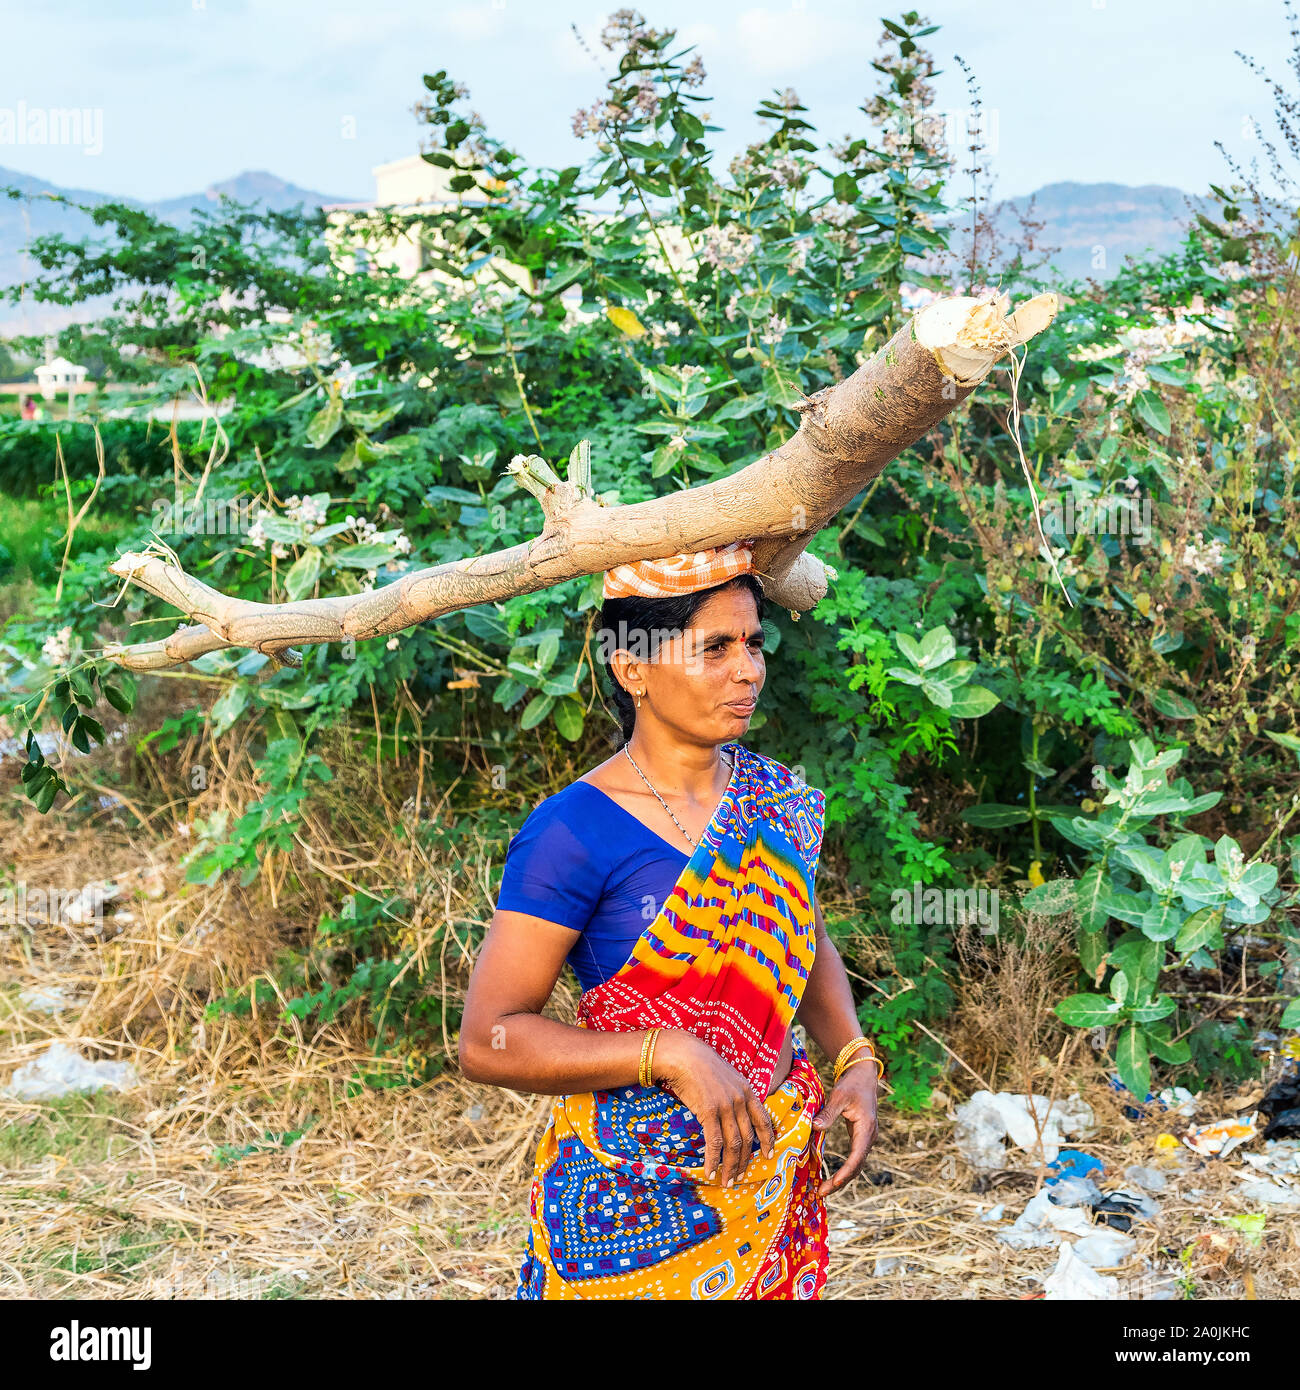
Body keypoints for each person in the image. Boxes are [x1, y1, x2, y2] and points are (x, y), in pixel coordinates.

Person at [459, 539, 882, 1301]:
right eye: (714, 647)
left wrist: (852, 1055)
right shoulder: (573, 831)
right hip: (622, 1211)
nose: (748, 670)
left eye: (753, 643)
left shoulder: (774, 801)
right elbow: (490, 1038)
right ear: (633, 669)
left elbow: (799, 934)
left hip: (771, 1186)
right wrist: (671, 1052)